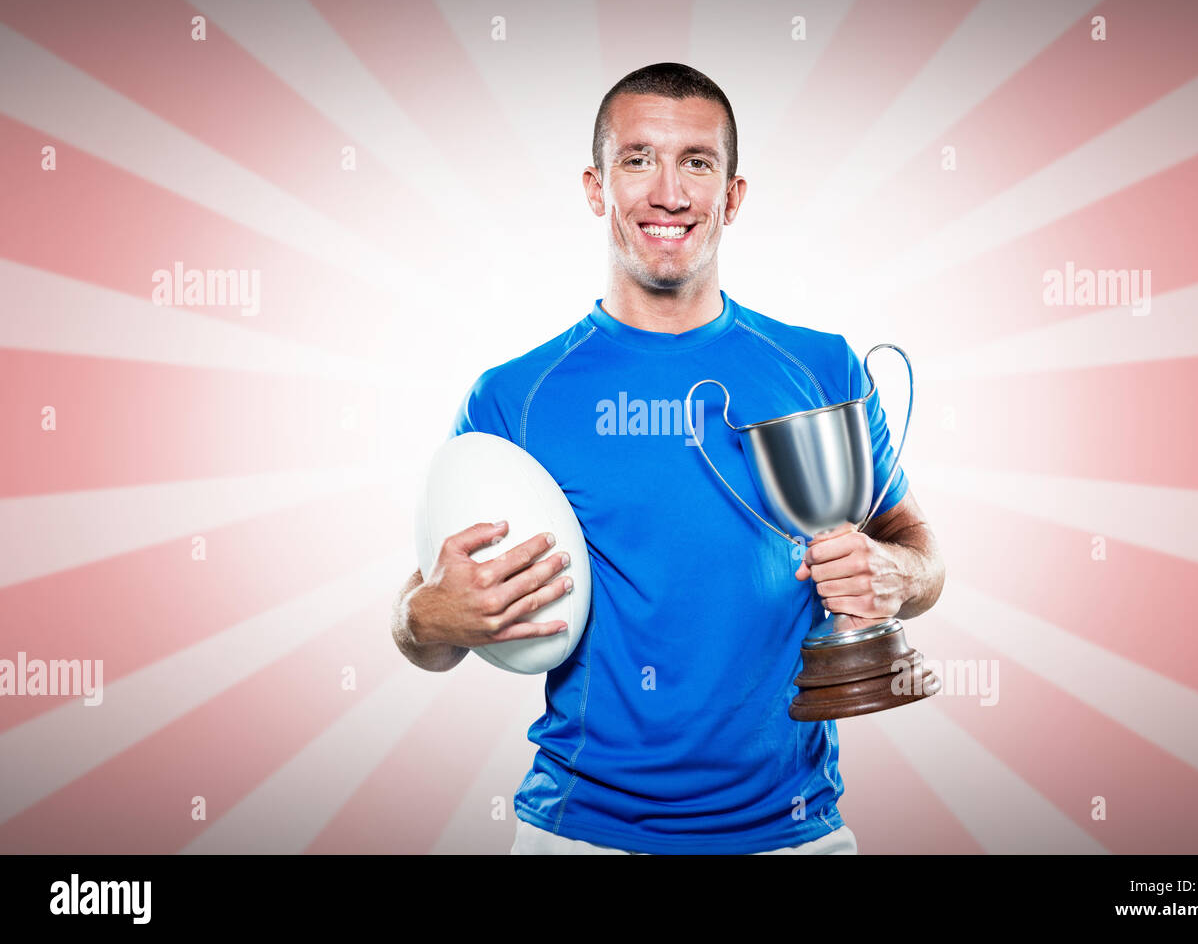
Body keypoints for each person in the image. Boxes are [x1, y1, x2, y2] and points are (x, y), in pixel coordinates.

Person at [391, 63, 945, 855]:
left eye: (697, 162)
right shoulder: (515, 396)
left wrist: (899, 577)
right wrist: (429, 618)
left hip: (794, 832)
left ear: (733, 194)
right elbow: (422, 619)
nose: (670, 194)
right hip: (580, 834)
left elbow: (917, 554)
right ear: (595, 186)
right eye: (638, 159)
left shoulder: (822, 369)